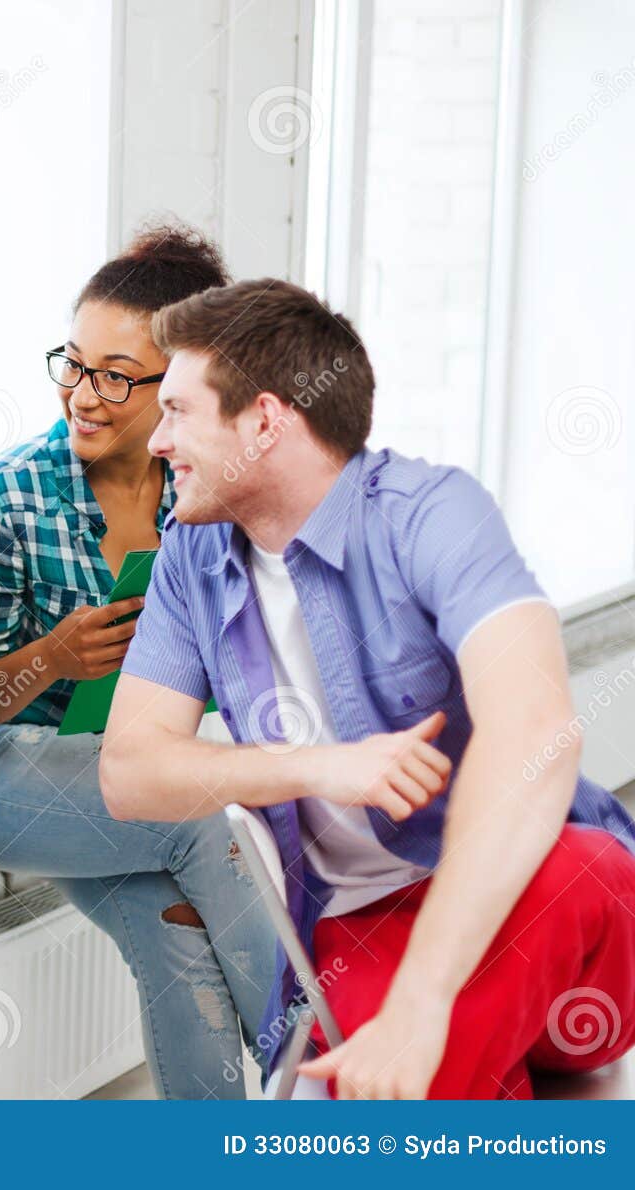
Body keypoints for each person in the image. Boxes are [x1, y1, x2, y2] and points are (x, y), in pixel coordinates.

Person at [100, 277, 635, 1099]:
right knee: (389, 1086)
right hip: (363, 926)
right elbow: (129, 775)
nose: (158, 440)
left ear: (266, 420)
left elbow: (537, 733)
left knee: (583, 870)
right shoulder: (190, 560)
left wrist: (424, 1004)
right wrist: (319, 766)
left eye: (177, 411)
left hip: (539, 894)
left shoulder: (433, 513)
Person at [0, 224, 275, 1099]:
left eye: (117, 376)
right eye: (73, 364)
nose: (83, 395)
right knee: (195, 812)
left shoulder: (205, 501)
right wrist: (51, 658)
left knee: (178, 939)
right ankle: (327, 1080)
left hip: (121, 777)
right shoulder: (6, 498)